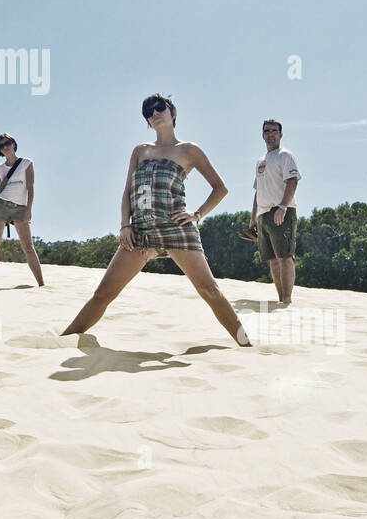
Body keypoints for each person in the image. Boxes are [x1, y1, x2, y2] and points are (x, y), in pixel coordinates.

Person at [63, 94, 251, 346]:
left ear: (173, 111)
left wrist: (196, 215)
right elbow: (128, 191)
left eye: (159, 108)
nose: (154, 114)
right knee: (103, 293)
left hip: (176, 229)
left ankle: (246, 346)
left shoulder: (189, 150)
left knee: (209, 290)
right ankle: (63, 342)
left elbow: (220, 188)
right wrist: (125, 225)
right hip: (140, 231)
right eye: (148, 113)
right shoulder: (141, 151)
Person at [249, 119, 301, 306]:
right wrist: (253, 218)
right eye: (267, 131)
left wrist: (283, 207)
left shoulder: (285, 155)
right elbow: (258, 191)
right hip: (262, 215)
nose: (270, 134)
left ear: (280, 134)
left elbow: (293, 180)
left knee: (285, 256)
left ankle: (287, 299)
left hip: (280, 211)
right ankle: (280, 298)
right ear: (262, 135)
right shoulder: (260, 161)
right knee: (272, 259)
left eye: (274, 131)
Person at [0, 133, 45, 287]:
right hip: (1, 207)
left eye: (8, 143)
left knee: (28, 246)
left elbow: (30, 187)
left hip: (20, 209)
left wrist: (28, 210)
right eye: (1, 145)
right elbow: (1, 188)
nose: (5, 147)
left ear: (14, 144)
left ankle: (41, 284)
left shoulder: (26, 163)